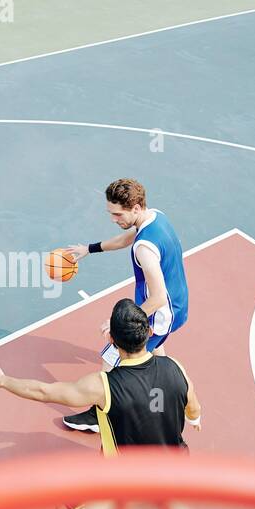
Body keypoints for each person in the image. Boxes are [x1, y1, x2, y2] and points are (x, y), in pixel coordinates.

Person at [0, 298, 202, 509]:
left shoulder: (102, 386)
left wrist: (3, 381)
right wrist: (190, 418)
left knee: (68, 501)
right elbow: (194, 409)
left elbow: (44, 392)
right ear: (148, 333)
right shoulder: (175, 367)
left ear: (113, 341)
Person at [61, 178, 189, 433]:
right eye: (110, 213)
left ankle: (100, 416)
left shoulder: (145, 248)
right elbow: (124, 240)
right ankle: (170, 394)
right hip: (179, 304)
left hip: (161, 313)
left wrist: (120, 323)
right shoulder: (155, 217)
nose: (113, 218)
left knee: (112, 355)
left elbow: (158, 296)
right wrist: (89, 249)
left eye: (118, 214)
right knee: (155, 353)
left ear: (136, 208)